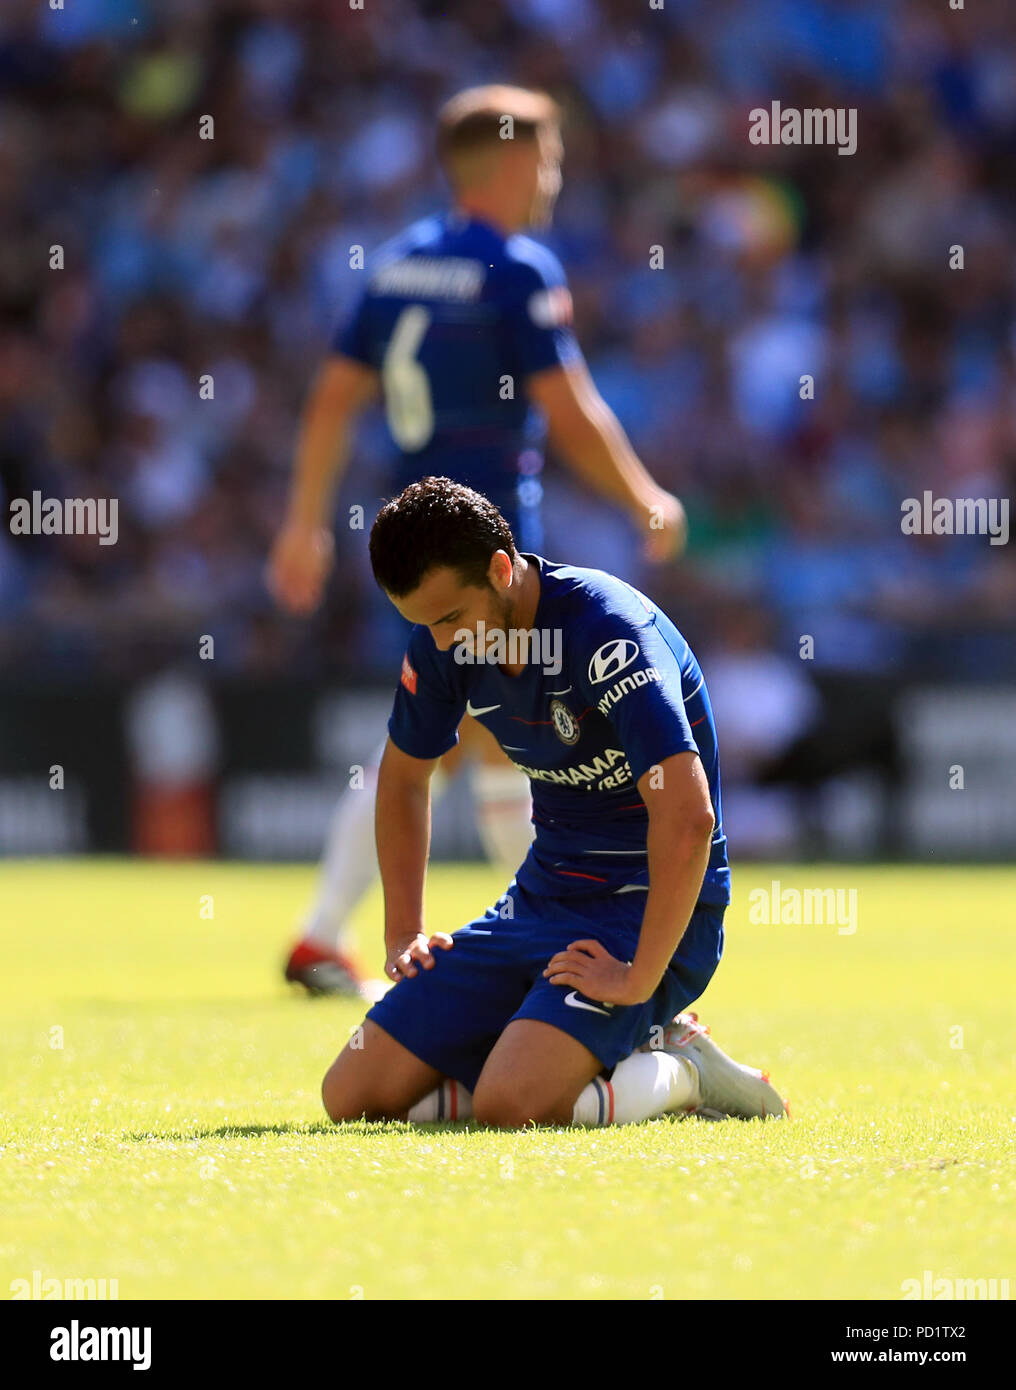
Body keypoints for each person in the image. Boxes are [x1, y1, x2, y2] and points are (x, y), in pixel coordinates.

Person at [267, 85, 687, 995]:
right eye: (548, 157)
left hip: (417, 544)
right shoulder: (517, 268)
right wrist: (646, 497)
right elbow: (568, 412)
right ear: (511, 162)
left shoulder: (392, 268)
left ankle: (320, 935)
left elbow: (334, 397)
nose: (556, 175)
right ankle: (542, 936)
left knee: (446, 740)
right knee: (507, 735)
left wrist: (304, 524)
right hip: (491, 544)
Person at [321, 478, 787, 1127]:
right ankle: (562, 1052)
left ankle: (684, 1068)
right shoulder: (445, 637)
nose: (445, 643)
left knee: (515, 1105)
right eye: (425, 625)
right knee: (353, 1097)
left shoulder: (608, 633)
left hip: (648, 910)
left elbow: (688, 817)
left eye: (452, 619)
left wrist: (637, 977)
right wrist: (404, 930)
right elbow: (401, 779)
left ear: (501, 569)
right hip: (542, 898)